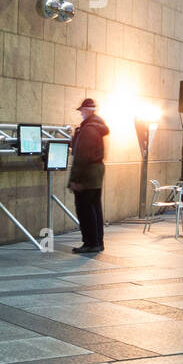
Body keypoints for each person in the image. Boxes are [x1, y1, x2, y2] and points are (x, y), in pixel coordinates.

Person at [68, 98, 109, 254]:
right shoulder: (97, 127)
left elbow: (81, 157)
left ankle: (90, 243)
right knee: (95, 208)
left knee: (85, 209)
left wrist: (75, 180)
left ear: (87, 111)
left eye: (82, 111)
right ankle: (97, 242)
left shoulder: (88, 129)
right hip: (95, 173)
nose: (81, 114)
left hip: (87, 175)